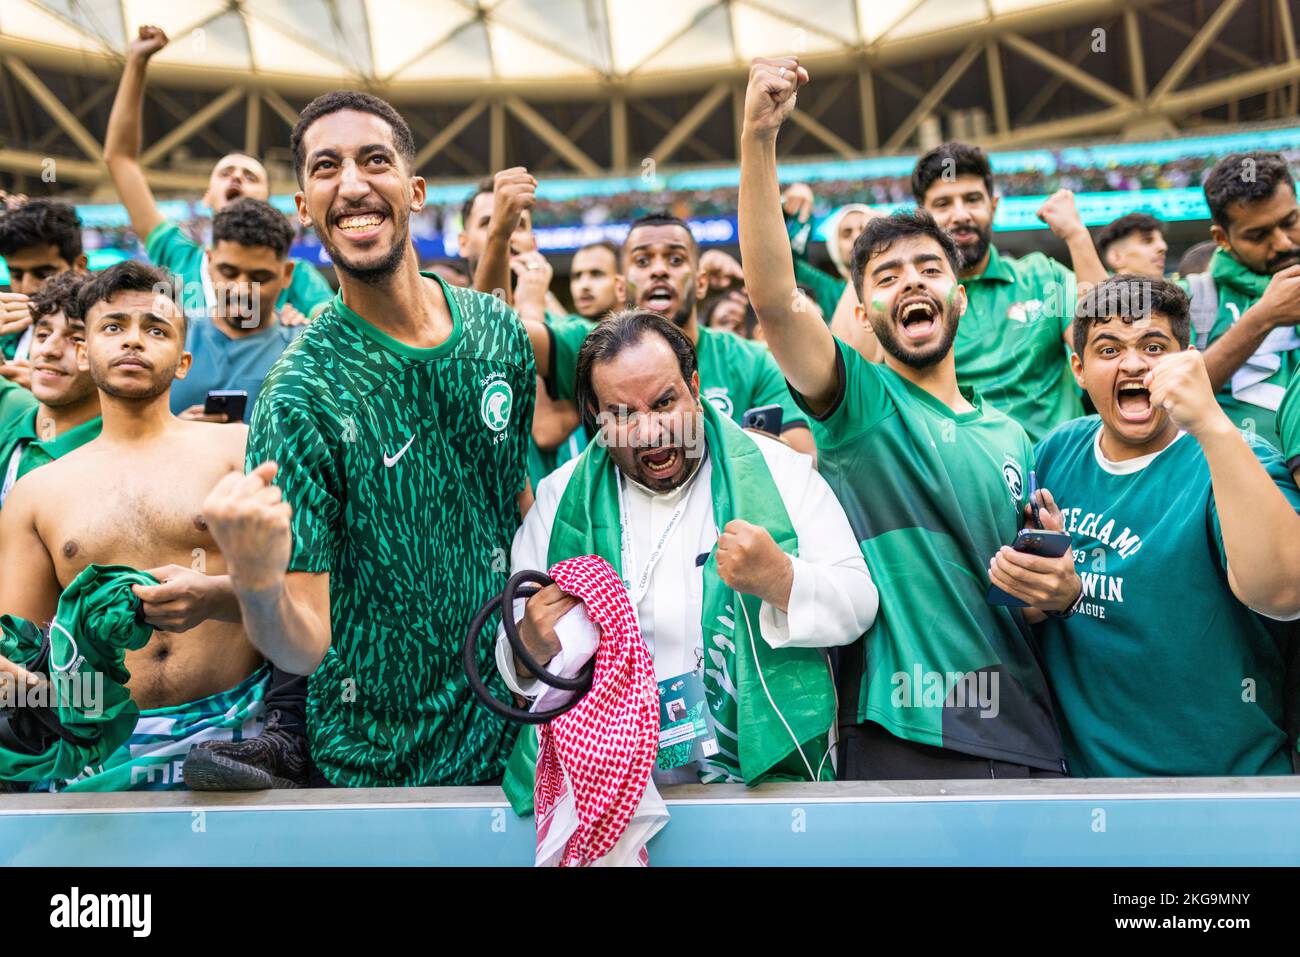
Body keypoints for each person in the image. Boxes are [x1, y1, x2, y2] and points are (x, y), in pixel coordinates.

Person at [739, 56, 1079, 780]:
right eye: (886, 276)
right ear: (862, 313)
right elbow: (776, 301)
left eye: (929, 269)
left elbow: (1023, 601)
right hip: (903, 729)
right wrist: (759, 138)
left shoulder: (1014, 436)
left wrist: (1056, 590)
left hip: (1025, 728)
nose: (911, 282)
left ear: (960, 297)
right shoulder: (858, 404)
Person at [200, 90, 536, 788]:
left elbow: (514, 497)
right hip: (374, 763)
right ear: (303, 206)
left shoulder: (499, 332)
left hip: (517, 741)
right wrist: (257, 584)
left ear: (413, 191)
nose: (352, 183)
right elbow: (303, 642)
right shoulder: (298, 393)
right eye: (326, 167)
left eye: (373, 160)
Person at [498, 310, 876, 787]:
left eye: (663, 403)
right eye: (624, 414)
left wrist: (783, 581)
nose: (651, 432)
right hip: (612, 798)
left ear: (694, 388)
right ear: (595, 416)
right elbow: (511, 660)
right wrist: (528, 646)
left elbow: (860, 601)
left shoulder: (779, 473)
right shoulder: (559, 499)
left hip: (759, 791)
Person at [0, 261, 280, 791]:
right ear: (85, 351)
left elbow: (310, 594)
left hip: (238, 740)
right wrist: (17, 684)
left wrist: (219, 593)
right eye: (113, 327)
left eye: (155, 329)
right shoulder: (37, 494)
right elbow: (22, 647)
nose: (133, 341)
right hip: (95, 753)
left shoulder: (242, 451)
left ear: (183, 361)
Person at [1033, 274, 1300, 776]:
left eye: (1154, 346)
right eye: (1109, 350)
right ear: (1079, 370)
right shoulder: (1057, 452)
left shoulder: (1241, 459)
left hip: (1230, 791)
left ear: (1189, 361)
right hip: (1086, 799)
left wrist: (1212, 423)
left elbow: (1285, 592)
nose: (1134, 363)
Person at [527, 213, 817, 457]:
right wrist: (501, 239)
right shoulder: (591, 348)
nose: (659, 270)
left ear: (701, 282)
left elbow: (805, 460)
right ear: (619, 287)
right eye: (642, 262)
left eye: (676, 260)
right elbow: (508, 336)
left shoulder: (753, 361)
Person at [103, 25, 334, 324]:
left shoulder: (297, 273)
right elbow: (120, 160)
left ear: (267, 204)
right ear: (207, 197)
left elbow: (331, 329)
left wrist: (308, 328)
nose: (236, 178)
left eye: (250, 177)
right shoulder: (179, 257)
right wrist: (135, 62)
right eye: (226, 173)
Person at [913, 141, 1106, 442]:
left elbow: (1106, 340)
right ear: (921, 215)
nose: (960, 214)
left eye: (972, 199)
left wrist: (1077, 235)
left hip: (1061, 465)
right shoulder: (913, 303)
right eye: (943, 204)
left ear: (993, 206)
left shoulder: (1043, 274)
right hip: (970, 479)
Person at [1192, 151, 1300, 449]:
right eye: (1257, 235)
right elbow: (1169, 398)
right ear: (1222, 238)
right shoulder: (1193, 299)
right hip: (1229, 487)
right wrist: (1264, 317)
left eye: (1290, 221)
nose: (1282, 243)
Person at [166, 198, 304, 423]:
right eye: (228, 273)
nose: (241, 289)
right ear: (209, 262)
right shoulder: (170, 335)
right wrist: (176, 434)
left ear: (287, 274)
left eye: (260, 278)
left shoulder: (305, 350)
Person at [0, 271, 101, 512]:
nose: (49, 349)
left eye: (75, 338)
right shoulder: (11, 406)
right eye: (42, 334)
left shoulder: (117, 455)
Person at [0, 199, 88, 376]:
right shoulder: (6, 332)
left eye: (44, 274)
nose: (26, 288)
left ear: (79, 266)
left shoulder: (102, 329)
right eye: (16, 274)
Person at [781, 181, 876, 320]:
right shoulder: (827, 290)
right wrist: (790, 212)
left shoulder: (903, 283)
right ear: (835, 249)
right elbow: (783, 261)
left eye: (864, 229)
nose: (857, 237)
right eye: (846, 233)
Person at [1096, 212, 1168, 277]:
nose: (1163, 247)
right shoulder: (1095, 289)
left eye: (1161, 240)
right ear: (1116, 257)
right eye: (1147, 241)